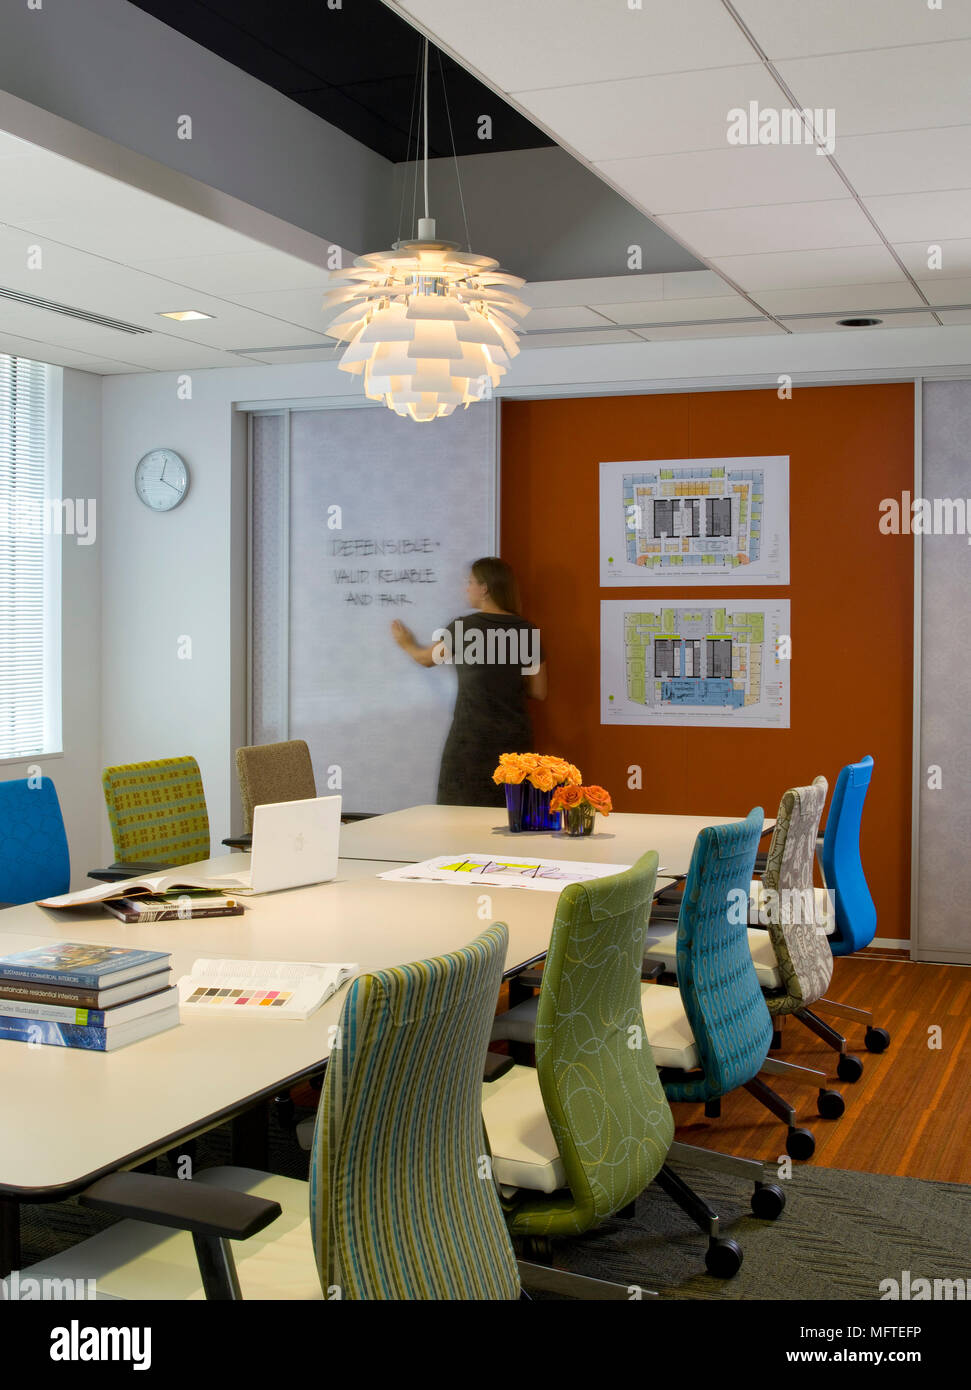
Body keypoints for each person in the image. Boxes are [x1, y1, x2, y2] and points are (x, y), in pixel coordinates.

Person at [391, 557, 547, 806]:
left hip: (471, 738)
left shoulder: (464, 628)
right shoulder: (527, 629)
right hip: (515, 739)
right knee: (510, 814)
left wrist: (405, 643)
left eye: (470, 582)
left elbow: (426, 659)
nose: (466, 588)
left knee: (460, 814)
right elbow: (539, 691)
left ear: (484, 588)